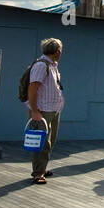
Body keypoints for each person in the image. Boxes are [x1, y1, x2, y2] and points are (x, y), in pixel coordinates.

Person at [26, 38, 64, 185]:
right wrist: (35, 111)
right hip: (42, 110)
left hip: (53, 109)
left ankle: (43, 167)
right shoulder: (41, 65)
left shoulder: (52, 65)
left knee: (50, 140)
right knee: (41, 142)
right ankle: (37, 173)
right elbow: (32, 88)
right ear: (57, 52)